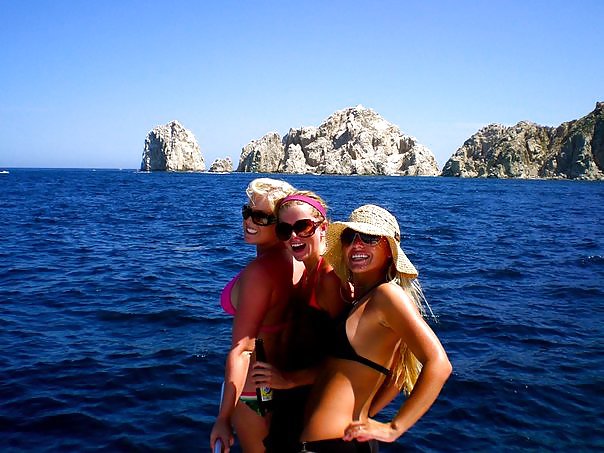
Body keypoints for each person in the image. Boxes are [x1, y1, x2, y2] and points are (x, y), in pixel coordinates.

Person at [297, 204, 452, 453]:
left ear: (390, 251)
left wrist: (394, 428)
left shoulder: (387, 295)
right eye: (350, 237)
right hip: (336, 443)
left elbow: (439, 364)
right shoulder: (362, 300)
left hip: (335, 447)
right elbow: (398, 373)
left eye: (369, 238)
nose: (357, 244)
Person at [210, 178, 305, 453]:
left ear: (282, 225)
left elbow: (243, 350)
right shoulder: (298, 262)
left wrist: (223, 418)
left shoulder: (259, 273)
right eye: (247, 211)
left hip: (254, 392)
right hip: (285, 385)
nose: (248, 221)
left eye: (261, 217)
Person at [252, 191, 347, 453]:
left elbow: (348, 362)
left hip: (316, 422)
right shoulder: (307, 271)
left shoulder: (330, 279)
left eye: (303, 227)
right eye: (285, 230)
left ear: (323, 228)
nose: (294, 236)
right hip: (295, 410)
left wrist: (288, 380)